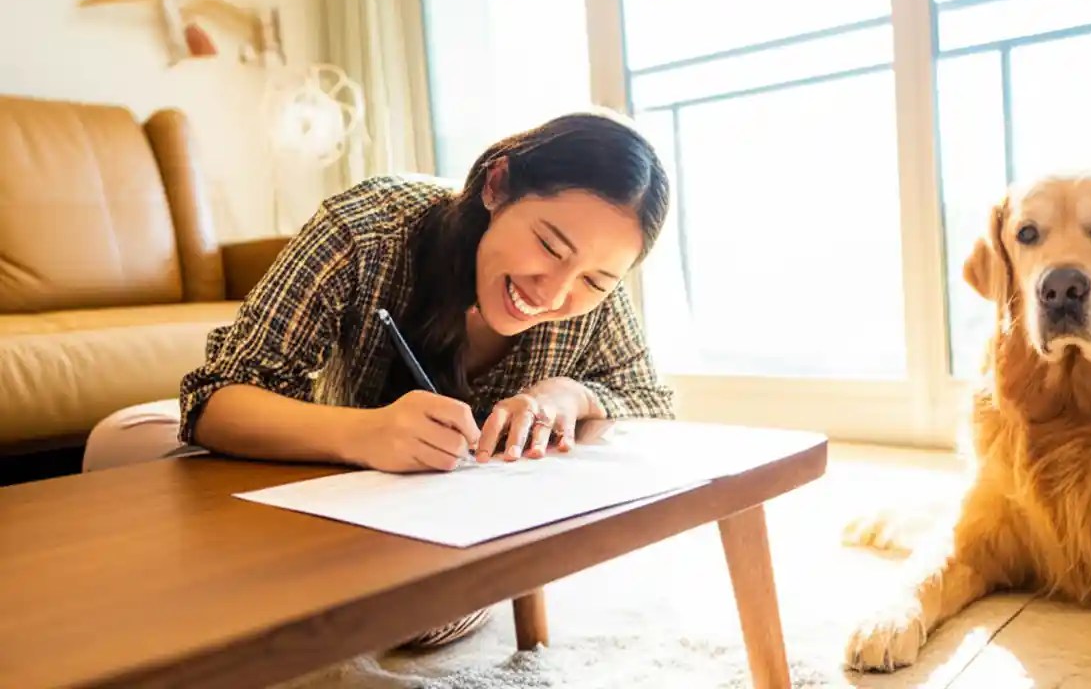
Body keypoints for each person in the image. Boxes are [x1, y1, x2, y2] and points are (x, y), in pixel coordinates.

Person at [81, 109, 675, 649]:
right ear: (497, 185)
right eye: (548, 245)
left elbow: (654, 407)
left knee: (413, 621)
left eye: (596, 280)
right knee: (118, 440)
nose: (554, 292)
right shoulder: (367, 229)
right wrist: (363, 433)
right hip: (311, 454)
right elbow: (212, 400)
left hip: (422, 508)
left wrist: (567, 392)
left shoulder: (591, 296)